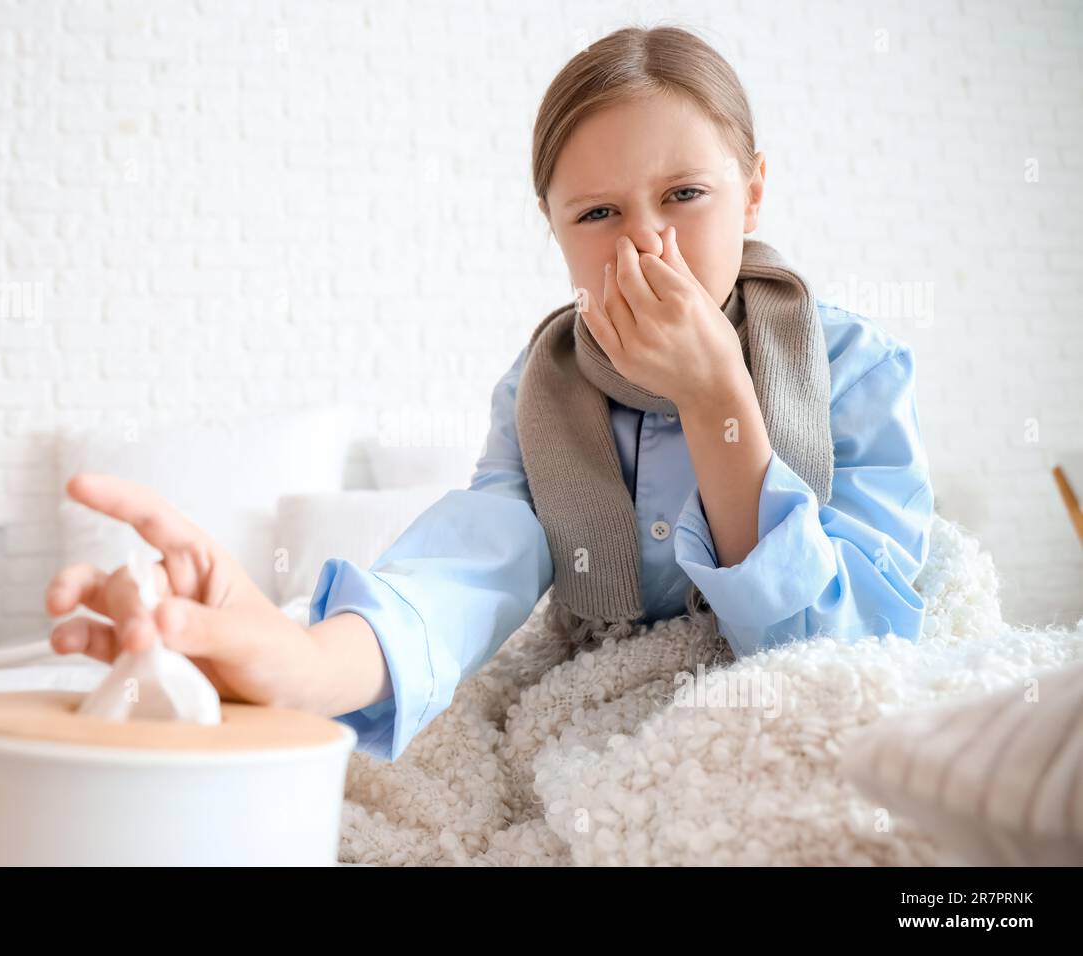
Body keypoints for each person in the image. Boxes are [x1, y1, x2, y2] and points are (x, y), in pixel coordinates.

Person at [46, 25, 933, 765]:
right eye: (597, 215)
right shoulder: (543, 390)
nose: (647, 248)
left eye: (686, 195)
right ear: (553, 229)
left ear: (753, 194)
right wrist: (306, 664)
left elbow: (847, 656)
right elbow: (471, 567)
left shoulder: (851, 364)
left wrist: (716, 399)